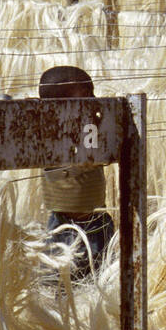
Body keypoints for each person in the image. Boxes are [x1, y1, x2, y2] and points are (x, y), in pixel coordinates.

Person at [39, 66, 115, 281]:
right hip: (64, 226)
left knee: (102, 279)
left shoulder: (89, 126)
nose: (93, 99)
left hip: (98, 220)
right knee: (59, 280)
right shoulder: (50, 130)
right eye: (86, 95)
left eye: (93, 92)